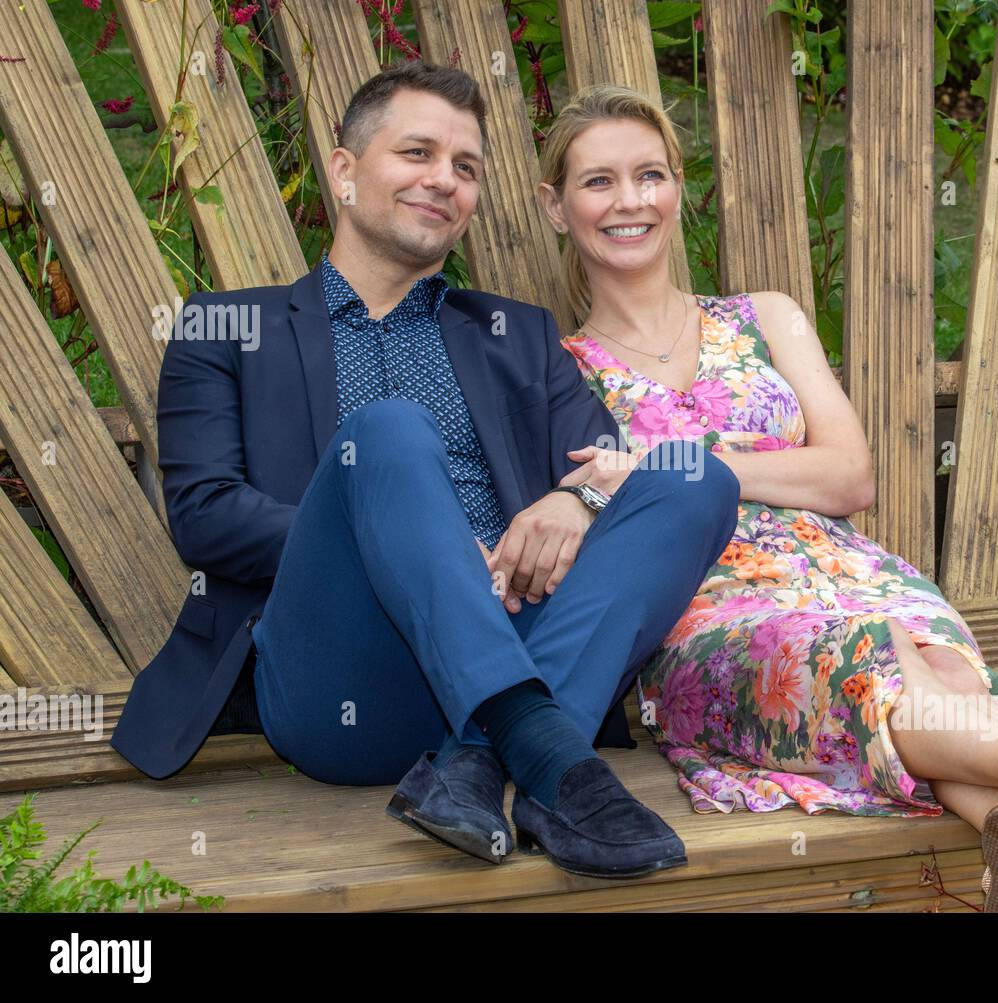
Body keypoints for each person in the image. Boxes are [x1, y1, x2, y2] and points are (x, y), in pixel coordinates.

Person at [536, 84, 998, 911]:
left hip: (848, 566)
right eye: (598, 181)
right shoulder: (553, 368)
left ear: (677, 185)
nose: (629, 200)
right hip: (703, 605)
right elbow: (575, 525)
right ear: (556, 206)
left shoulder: (765, 317)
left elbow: (851, 475)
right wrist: (745, 469)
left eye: (650, 174)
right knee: (872, 668)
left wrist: (681, 464)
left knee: (942, 663)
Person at [110, 63, 743, 881]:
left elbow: (613, 466)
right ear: (344, 171)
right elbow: (203, 512)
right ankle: (551, 758)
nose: (443, 179)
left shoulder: (516, 334)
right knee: (385, 432)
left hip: (528, 642)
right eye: (417, 152)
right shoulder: (229, 327)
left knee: (697, 475)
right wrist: (436, 549)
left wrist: (575, 500)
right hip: (348, 676)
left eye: (466, 167)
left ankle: (480, 760)